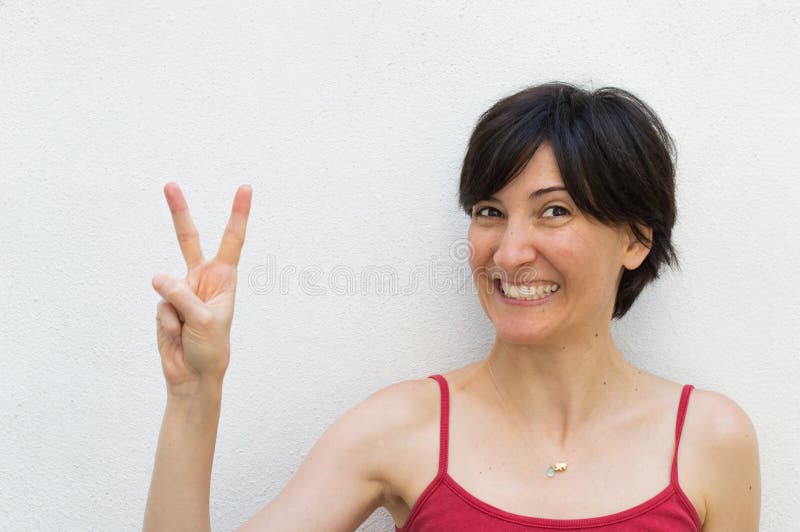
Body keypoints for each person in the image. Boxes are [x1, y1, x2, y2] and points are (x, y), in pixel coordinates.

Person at [143, 81, 760, 531]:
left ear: (635, 239)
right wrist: (194, 393)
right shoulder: (398, 427)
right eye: (489, 212)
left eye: (555, 211)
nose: (510, 252)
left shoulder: (710, 440)